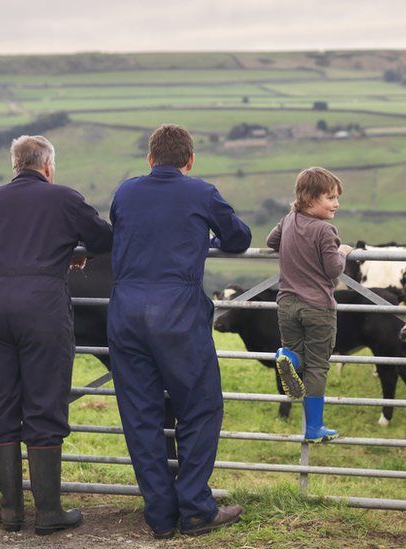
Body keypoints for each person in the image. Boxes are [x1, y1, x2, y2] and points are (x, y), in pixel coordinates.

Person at [108, 124, 251, 539]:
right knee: (201, 408)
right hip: (178, 314)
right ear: (190, 161)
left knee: (141, 415)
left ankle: (158, 516)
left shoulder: (125, 192)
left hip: (126, 313)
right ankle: (195, 508)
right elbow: (238, 238)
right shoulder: (201, 192)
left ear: (150, 160)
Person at [0, 135, 113, 534]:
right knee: (44, 401)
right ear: (47, 166)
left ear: (15, 165)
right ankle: (48, 513)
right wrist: (72, 249)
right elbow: (104, 239)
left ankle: (10, 511)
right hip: (42, 306)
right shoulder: (64, 198)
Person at [267, 167, 353, 443]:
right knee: (317, 366)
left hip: (287, 304)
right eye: (330, 198)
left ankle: (287, 357)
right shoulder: (326, 231)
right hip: (318, 308)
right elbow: (332, 270)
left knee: (298, 356)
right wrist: (342, 252)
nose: (336, 204)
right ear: (309, 198)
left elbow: (271, 241)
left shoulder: (289, 219)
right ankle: (314, 428)